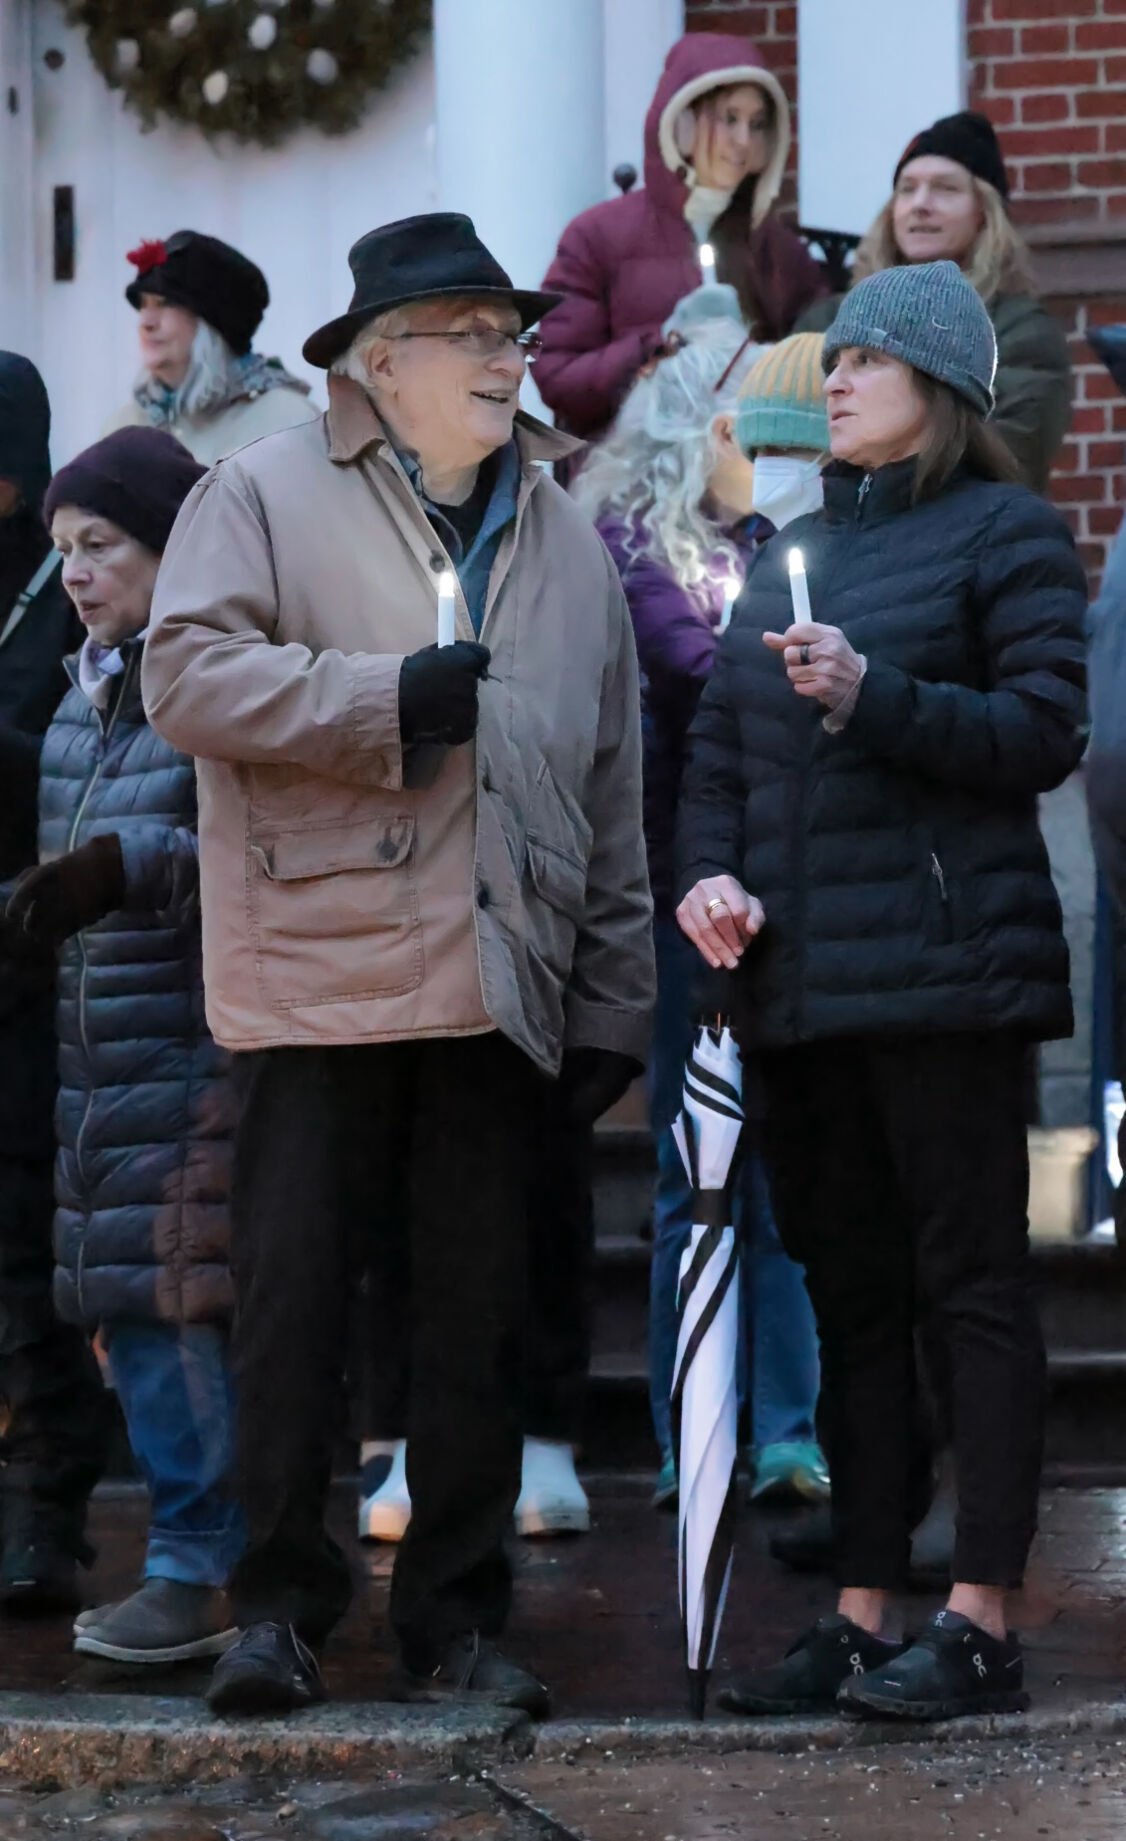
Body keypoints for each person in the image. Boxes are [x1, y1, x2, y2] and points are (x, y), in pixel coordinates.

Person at [142, 212, 655, 1720]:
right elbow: (183, 675)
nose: (512, 357)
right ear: (381, 360)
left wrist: (614, 995)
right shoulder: (262, 490)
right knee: (295, 1309)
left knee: (475, 1322)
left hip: (501, 985)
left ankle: (453, 1620)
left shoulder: (566, 529)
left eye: (515, 334)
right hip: (318, 977)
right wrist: (381, 698)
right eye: (476, 334)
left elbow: (611, 781)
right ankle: (280, 1612)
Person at [678, 261, 1087, 1722]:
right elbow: (716, 766)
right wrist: (707, 880)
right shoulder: (782, 557)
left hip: (944, 976)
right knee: (852, 1299)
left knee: (967, 1289)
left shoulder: (1006, 535)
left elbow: (1041, 730)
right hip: (801, 991)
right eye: (830, 360)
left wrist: (875, 694)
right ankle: (860, 1611)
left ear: (941, 390)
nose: (832, 379)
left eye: (863, 361)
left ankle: (975, 1617)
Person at [573, 300, 827, 1511]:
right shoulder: (631, 540)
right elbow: (705, 666)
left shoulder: (767, 529)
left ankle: (785, 1423)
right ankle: (697, 1425)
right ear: (698, 416)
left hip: (791, 886)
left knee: (781, 1169)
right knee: (699, 1163)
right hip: (690, 893)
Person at [6, 427, 243, 1665]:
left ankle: (201, 1566)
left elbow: (253, 855)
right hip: (99, 1055)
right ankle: (195, 1550)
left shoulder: (207, 680)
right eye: (65, 551)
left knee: (176, 1306)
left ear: (171, 544)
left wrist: (118, 869)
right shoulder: (79, 690)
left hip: (198, 1052)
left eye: (104, 544)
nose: (81, 572)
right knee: (129, 1313)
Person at [0, 353, 110, 1615]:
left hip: (39, 963)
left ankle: (47, 1503)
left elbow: (81, 758)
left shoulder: (60, 595)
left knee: (28, 1251)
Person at [535, 32, 826, 444]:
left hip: (743, 488)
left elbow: (818, 372)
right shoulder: (597, 235)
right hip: (626, 486)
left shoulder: (777, 249)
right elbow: (558, 379)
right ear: (682, 122)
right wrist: (659, 344)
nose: (744, 140)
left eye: (757, 124)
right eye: (729, 118)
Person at [799, 111, 1071, 493]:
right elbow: (784, 436)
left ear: (984, 214)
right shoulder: (827, 320)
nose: (920, 204)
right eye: (907, 189)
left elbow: (1011, 454)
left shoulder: (1022, 331)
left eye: (946, 188)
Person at [108, 231, 318, 465]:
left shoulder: (286, 421)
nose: (146, 322)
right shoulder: (123, 428)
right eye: (143, 305)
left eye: (164, 303)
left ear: (212, 325)